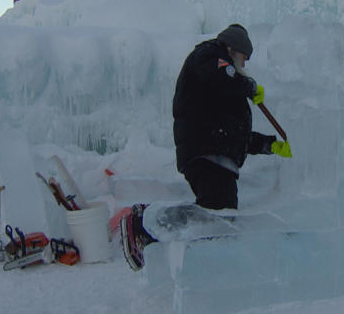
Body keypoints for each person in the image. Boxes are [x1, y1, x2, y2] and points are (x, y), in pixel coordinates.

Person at [120, 23, 292, 270]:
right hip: (205, 154)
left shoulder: (224, 83)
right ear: (234, 48)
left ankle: (197, 261)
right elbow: (222, 77)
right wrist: (250, 87)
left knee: (218, 218)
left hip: (217, 156)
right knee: (216, 216)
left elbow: (233, 134)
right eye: (244, 58)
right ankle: (146, 220)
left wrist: (270, 145)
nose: (243, 66)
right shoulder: (209, 56)